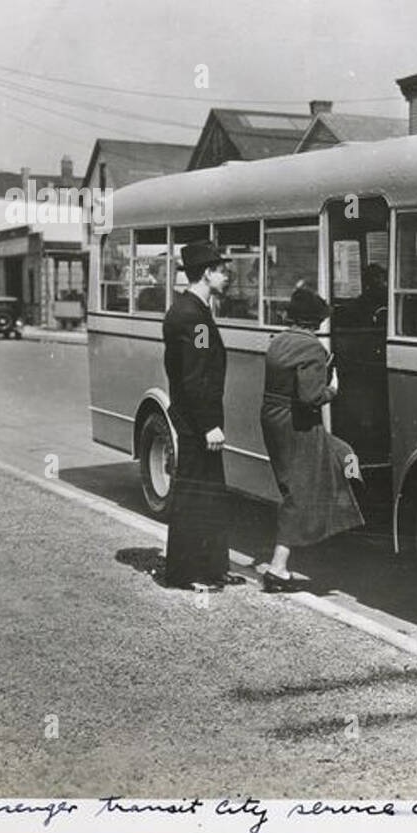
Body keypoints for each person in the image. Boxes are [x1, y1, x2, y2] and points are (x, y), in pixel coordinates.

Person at [258, 286, 366, 591]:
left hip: (274, 419)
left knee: (340, 455)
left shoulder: (278, 340)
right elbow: (310, 397)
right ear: (315, 322)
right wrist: (332, 386)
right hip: (298, 424)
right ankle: (278, 567)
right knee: (301, 490)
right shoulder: (313, 348)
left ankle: (342, 522)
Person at [161, 240, 242, 590]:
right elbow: (194, 377)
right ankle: (186, 574)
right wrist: (208, 425)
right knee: (194, 494)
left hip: (198, 420)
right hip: (198, 423)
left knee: (209, 493)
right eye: (222, 270)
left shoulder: (192, 310)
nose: (227, 276)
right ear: (207, 273)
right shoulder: (192, 318)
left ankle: (211, 568)